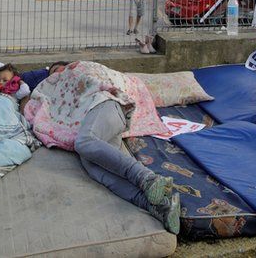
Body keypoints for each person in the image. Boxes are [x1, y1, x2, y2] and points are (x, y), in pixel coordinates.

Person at [25, 61, 180, 233]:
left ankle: (147, 178)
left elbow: (97, 80)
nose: (55, 75)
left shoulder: (78, 69)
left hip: (107, 103)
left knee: (84, 142)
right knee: (94, 168)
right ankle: (160, 208)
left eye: (57, 70)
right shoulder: (53, 88)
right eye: (52, 74)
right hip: (93, 123)